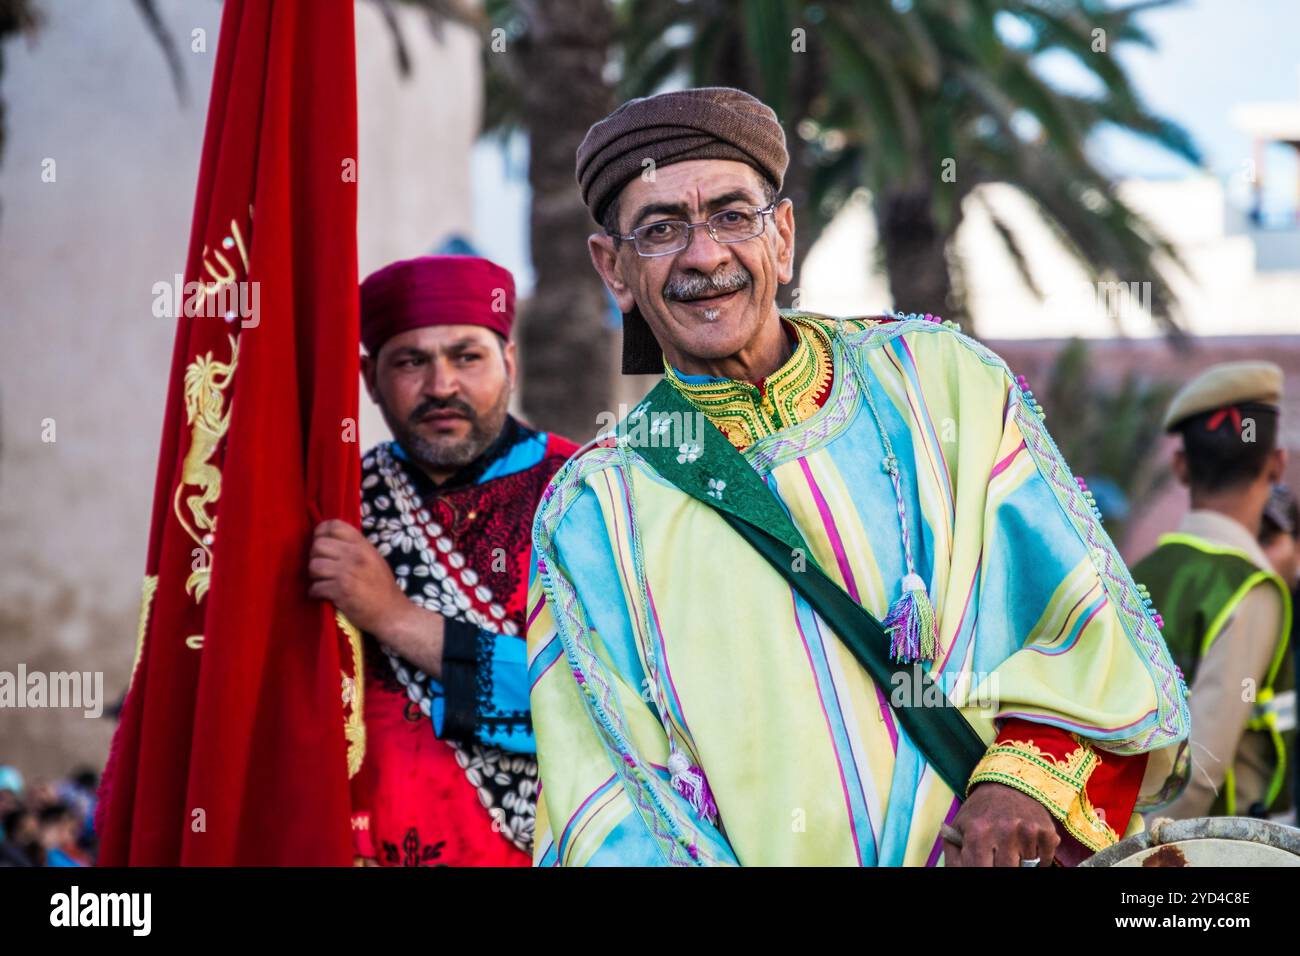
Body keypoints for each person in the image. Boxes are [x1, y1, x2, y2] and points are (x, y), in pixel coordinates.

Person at [526, 87, 1189, 867]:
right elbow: (607, 800)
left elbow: (1087, 630)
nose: (704, 255)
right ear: (614, 268)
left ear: (783, 235)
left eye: (734, 216)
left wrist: (1023, 782)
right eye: (661, 229)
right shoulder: (593, 513)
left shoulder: (942, 383)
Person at [308, 255, 578, 866]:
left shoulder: (586, 499)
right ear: (369, 378)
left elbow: (604, 700)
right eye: (410, 362)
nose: (441, 387)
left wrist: (395, 618)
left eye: (466, 356)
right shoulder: (331, 509)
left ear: (509, 363)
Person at [1132, 362, 1292, 820]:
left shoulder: (1130, 573)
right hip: (1211, 851)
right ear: (1277, 463)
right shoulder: (1250, 588)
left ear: (1181, 467)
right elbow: (1199, 772)